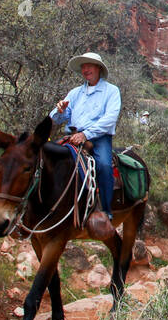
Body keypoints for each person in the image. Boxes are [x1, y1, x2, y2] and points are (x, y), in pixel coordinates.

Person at [50, 52, 121, 223]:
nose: (85, 69)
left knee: (104, 165)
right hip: (73, 135)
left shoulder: (111, 91)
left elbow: (110, 118)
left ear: (98, 68)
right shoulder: (75, 93)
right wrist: (58, 111)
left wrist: (86, 134)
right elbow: (57, 117)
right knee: (49, 158)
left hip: (99, 138)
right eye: (83, 66)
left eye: (89, 65)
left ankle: (105, 210)